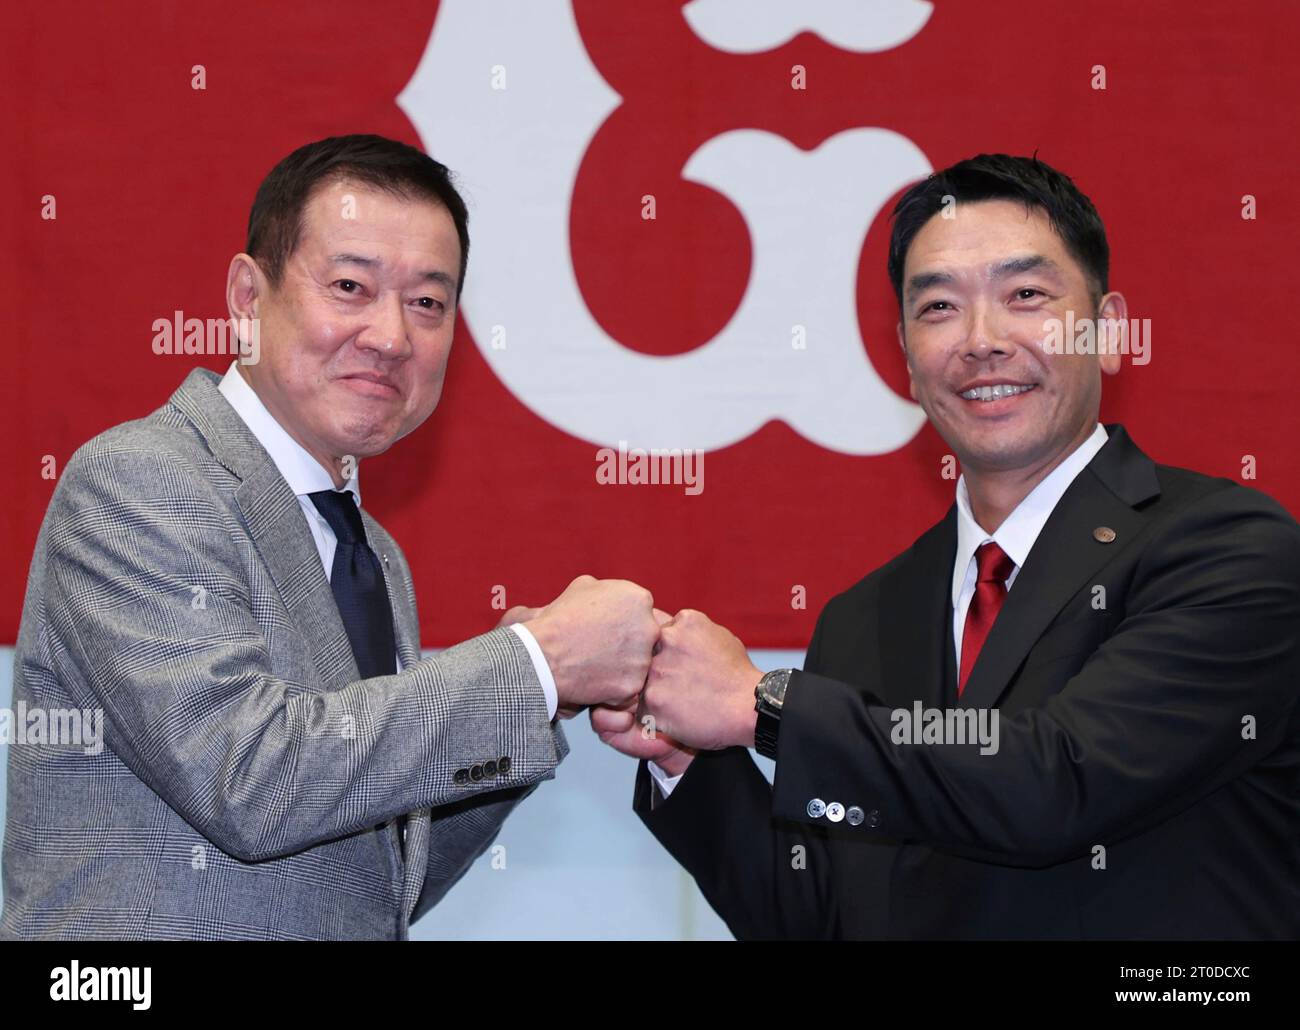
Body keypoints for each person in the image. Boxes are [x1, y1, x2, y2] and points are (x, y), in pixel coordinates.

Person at [593, 154, 1300, 939]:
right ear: (903, 355)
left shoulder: (1228, 550)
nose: (981, 341)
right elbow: (825, 917)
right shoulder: (864, 617)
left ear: (1109, 331)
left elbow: (1054, 775)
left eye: (1025, 296)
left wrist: (761, 704)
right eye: (939, 307)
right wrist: (685, 751)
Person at [2, 134, 659, 940]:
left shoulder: (371, 552)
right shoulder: (141, 479)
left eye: (428, 302)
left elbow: (365, 885)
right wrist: (532, 669)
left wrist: (544, 697)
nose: (391, 336)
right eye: (350, 286)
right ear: (248, 298)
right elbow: (248, 778)